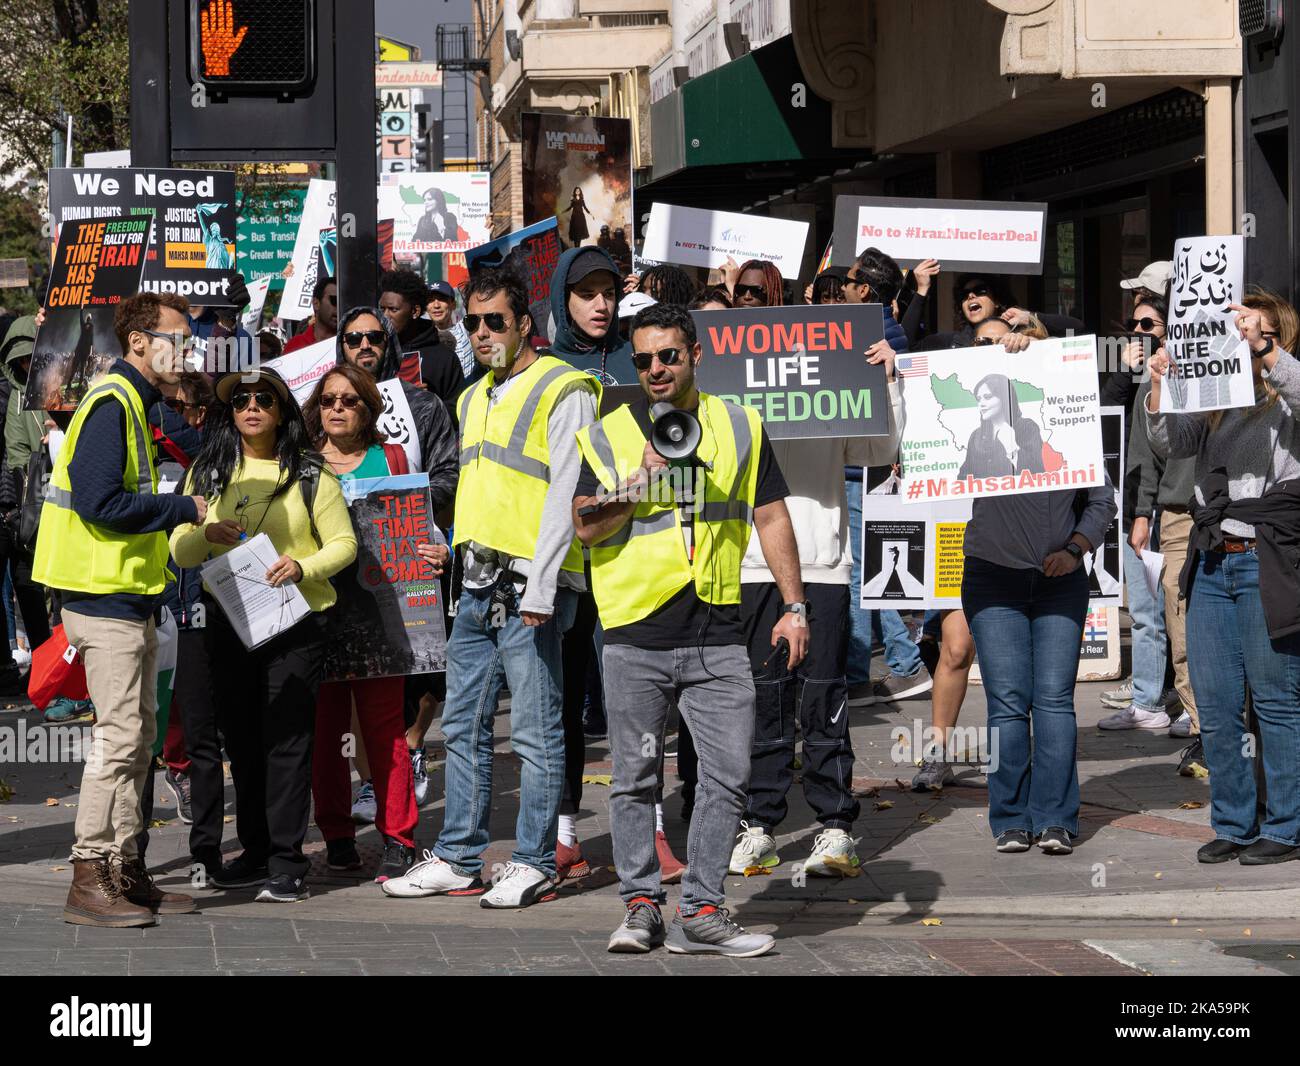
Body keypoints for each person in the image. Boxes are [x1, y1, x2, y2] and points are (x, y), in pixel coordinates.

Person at [573, 302, 806, 957]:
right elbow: (585, 525)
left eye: (668, 356)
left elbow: (772, 518)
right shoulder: (609, 433)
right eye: (642, 358)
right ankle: (642, 907)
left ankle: (702, 910)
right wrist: (637, 481)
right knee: (636, 778)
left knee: (729, 776)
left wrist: (795, 605)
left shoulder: (739, 425)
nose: (655, 369)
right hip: (634, 635)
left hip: (718, 632)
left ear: (695, 354)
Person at [382, 266, 598, 908]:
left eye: (495, 321)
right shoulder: (474, 396)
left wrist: (542, 585)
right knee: (465, 725)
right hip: (473, 585)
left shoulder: (563, 387)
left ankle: (533, 860)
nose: (480, 333)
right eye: (472, 322)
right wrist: (447, 547)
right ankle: (458, 856)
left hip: (532, 586)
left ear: (524, 323)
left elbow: (566, 491)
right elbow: (481, 491)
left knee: (534, 729)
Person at [33, 291, 206, 927]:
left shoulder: (135, 402)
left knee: (137, 738)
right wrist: (183, 510)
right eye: (176, 338)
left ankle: (126, 869)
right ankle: (89, 874)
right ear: (138, 342)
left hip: (125, 596)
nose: (185, 350)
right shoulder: (112, 405)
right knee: (118, 738)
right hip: (102, 597)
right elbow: (102, 504)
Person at [170, 367, 357, 902]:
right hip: (226, 621)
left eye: (264, 399)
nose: (251, 407)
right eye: (241, 401)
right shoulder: (209, 471)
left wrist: (302, 567)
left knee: (287, 741)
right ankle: (253, 851)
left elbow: (343, 544)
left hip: (295, 623)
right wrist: (205, 533)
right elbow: (178, 550)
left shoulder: (310, 471)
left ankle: (286, 861)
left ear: (281, 411)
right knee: (244, 742)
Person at [730, 318, 904, 877]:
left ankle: (834, 826)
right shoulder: (733, 396)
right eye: (746, 297)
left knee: (823, 699)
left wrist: (889, 383)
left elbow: (881, 449)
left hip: (823, 569)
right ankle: (759, 824)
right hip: (749, 566)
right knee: (764, 701)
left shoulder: (834, 392)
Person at [1146, 292, 1300, 864]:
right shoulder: (1220, 394)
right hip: (1212, 558)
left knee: (1278, 699)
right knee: (1214, 702)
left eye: (1246, 328)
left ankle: (1286, 826)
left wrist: (1266, 353)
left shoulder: (1285, 392)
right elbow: (1174, 444)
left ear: (1270, 333)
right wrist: (1161, 386)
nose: (1232, 336)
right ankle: (1234, 822)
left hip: (1266, 557)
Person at [961, 324, 1116, 852]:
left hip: (1060, 582)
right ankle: (1009, 818)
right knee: (1007, 702)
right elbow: (937, 462)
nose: (982, 400)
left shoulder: (1062, 426)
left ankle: (1055, 819)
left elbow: (1101, 503)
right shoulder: (975, 437)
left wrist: (1074, 549)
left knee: (1053, 701)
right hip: (992, 576)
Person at [303, 363, 449, 883]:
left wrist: (439, 550)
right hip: (317, 617)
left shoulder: (390, 457)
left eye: (349, 400)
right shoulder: (300, 464)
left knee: (387, 732)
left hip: (382, 618)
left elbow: (420, 523)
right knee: (327, 734)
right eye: (328, 401)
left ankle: (399, 837)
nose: (337, 408)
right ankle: (337, 837)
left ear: (369, 407)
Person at [841, 248, 934, 706]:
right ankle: (890, 665)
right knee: (868, 567)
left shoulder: (871, 333)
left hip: (866, 467)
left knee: (863, 569)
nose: (841, 286)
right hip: (869, 466)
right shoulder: (884, 327)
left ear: (863, 289)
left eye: (849, 280)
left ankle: (895, 666)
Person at [1099, 293, 1189, 741]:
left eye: (1148, 326)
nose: (1138, 334)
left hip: (1174, 508)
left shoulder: (1185, 381)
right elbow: (1112, 418)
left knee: (1180, 613)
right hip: (1136, 501)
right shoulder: (1132, 378)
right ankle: (1147, 702)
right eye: (1132, 325)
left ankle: (1190, 704)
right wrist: (1126, 370)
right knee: (1145, 612)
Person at [0, 316, 52, 699]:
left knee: (47, 593)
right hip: (25, 507)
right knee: (26, 586)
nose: (25, 367)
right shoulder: (16, 397)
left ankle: (58, 672)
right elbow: (17, 452)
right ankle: (43, 668)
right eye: (19, 361)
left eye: (29, 359)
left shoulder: (62, 386)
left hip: (52, 504)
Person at [378, 268, 465, 415]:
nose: (385, 316)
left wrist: (429, 402)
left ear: (415, 312)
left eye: (393, 309)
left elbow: (458, 410)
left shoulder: (444, 358)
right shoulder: (375, 351)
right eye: (382, 309)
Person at [544, 246, 635, 385]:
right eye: (588, 295)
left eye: (608, 294)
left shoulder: (639, 358)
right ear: (564, 301)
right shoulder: (542, 367)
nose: (602, 306)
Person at [956, 373, 1046, 480]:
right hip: (986, 497)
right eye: (979, 399)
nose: (981, 404)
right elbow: (964, 477)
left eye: (987, 397)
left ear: (1004, 398)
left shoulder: (1027, 428)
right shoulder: (976, 436)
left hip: (1018, 496)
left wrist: (1012, 448)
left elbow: (1037, 474)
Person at [426, 279, 475, 379]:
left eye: (442, 299)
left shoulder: (465, 329)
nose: (436, 305)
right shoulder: (422, 338)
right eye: (430, 300)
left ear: (453, 304)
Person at [283, 276, 338, 354]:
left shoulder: (350, 344)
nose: (339, 307)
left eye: (341, 302)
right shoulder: (295, 346)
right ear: (316, 303)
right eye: (334, 300)